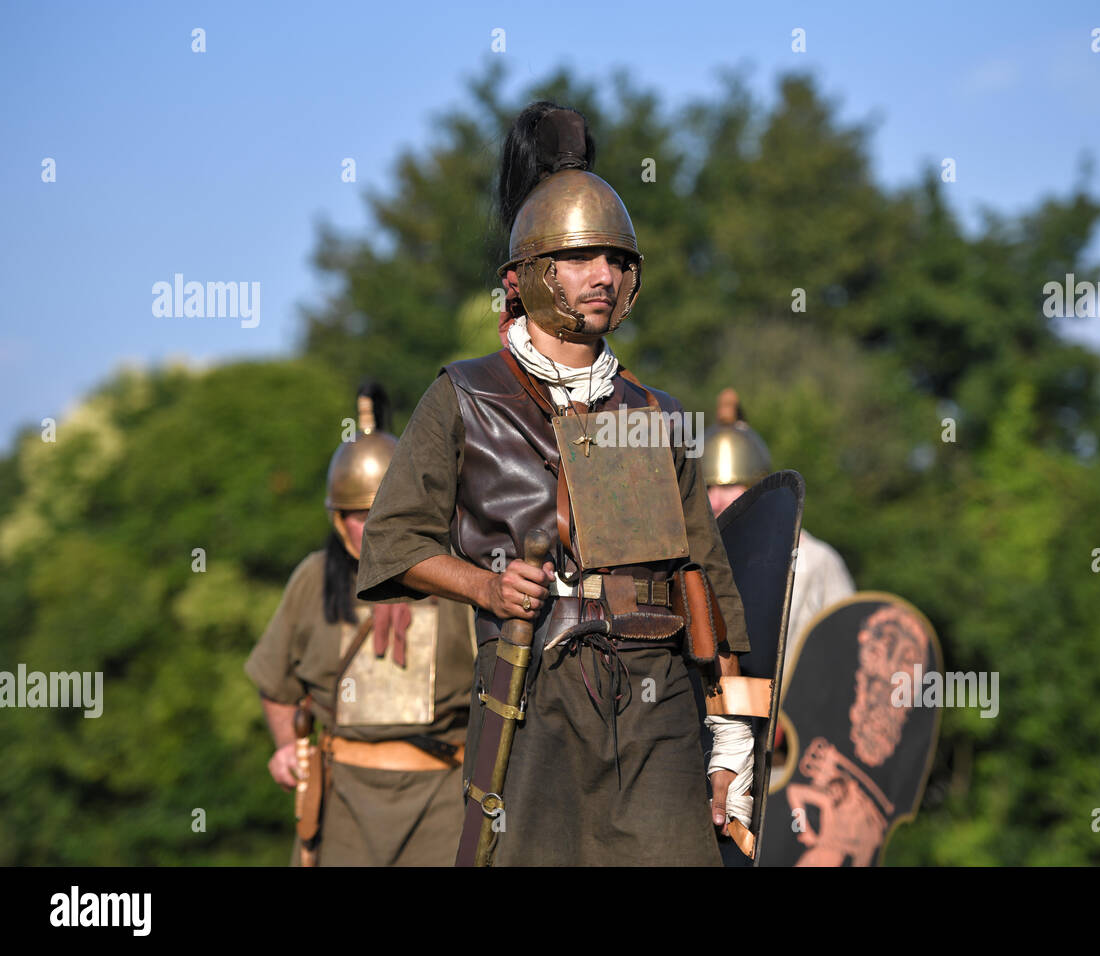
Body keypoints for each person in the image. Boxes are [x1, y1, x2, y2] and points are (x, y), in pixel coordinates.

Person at [356, 103, 754, 866]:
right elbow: (393, 540)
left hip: (658, 704)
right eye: (579, 258)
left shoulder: (655, 414)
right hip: (530, 688)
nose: (602, 275)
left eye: (614, 259)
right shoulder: (465, 396)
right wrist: (486, 589)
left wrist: (731, 739)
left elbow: (708, 576)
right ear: (528, 276)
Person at [245, 383, 477, 866]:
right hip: (344, 803)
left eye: (382, 512)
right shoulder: (313, 580)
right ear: (337, 519)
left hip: (442, 799)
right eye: (358, 516)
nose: (372, 527)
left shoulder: (462, 577)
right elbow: (275, 684)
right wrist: (289, 749)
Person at [702, 388, 855, 674]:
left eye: (726, 486)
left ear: (757, 488)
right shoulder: (699, 565)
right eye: (708, 488)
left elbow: (848, 658)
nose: (714, 500)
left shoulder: (815, 560)